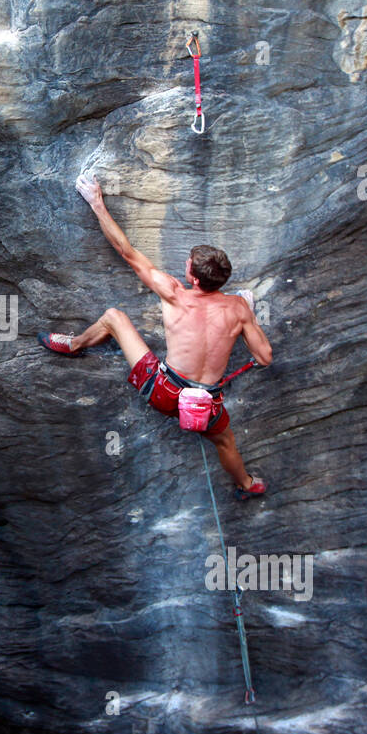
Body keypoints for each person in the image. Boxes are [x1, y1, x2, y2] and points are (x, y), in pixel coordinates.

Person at [39, 174, 273, 499]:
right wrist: (244, 311)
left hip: (161, 391)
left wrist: (97, 202)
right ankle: (247, 485)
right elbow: (264, 358)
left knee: (113, 318)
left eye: (188, 263)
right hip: (208, 406)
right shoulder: (238, 309)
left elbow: (127, 252)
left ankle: (74, 345)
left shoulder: (173, 292)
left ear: (191, 276)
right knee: (225, 441)